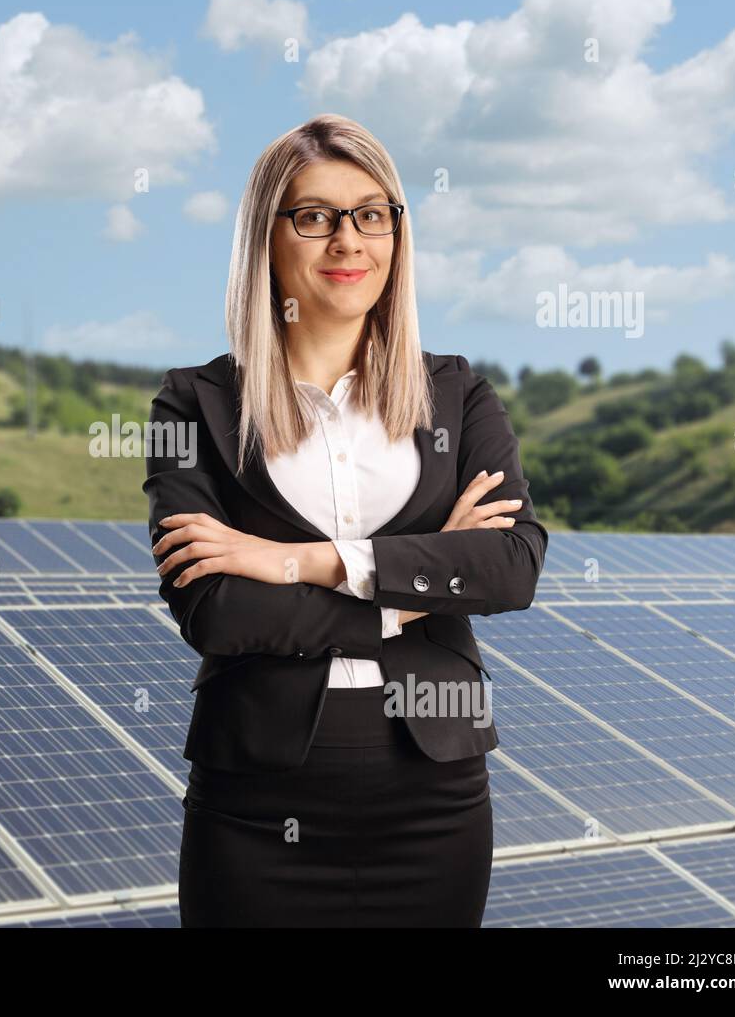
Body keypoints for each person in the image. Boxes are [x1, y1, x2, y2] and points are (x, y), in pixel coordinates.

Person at [143, 113, 547, 927]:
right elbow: (217, 611)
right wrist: (424, 585)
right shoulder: (193, 405)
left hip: (435, 790)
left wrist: (300, 560)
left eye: (372, 214)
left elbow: (511, 566)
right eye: (315, 215)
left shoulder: (457, 395)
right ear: (267, 236)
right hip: (256, 801)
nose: (348, 241)